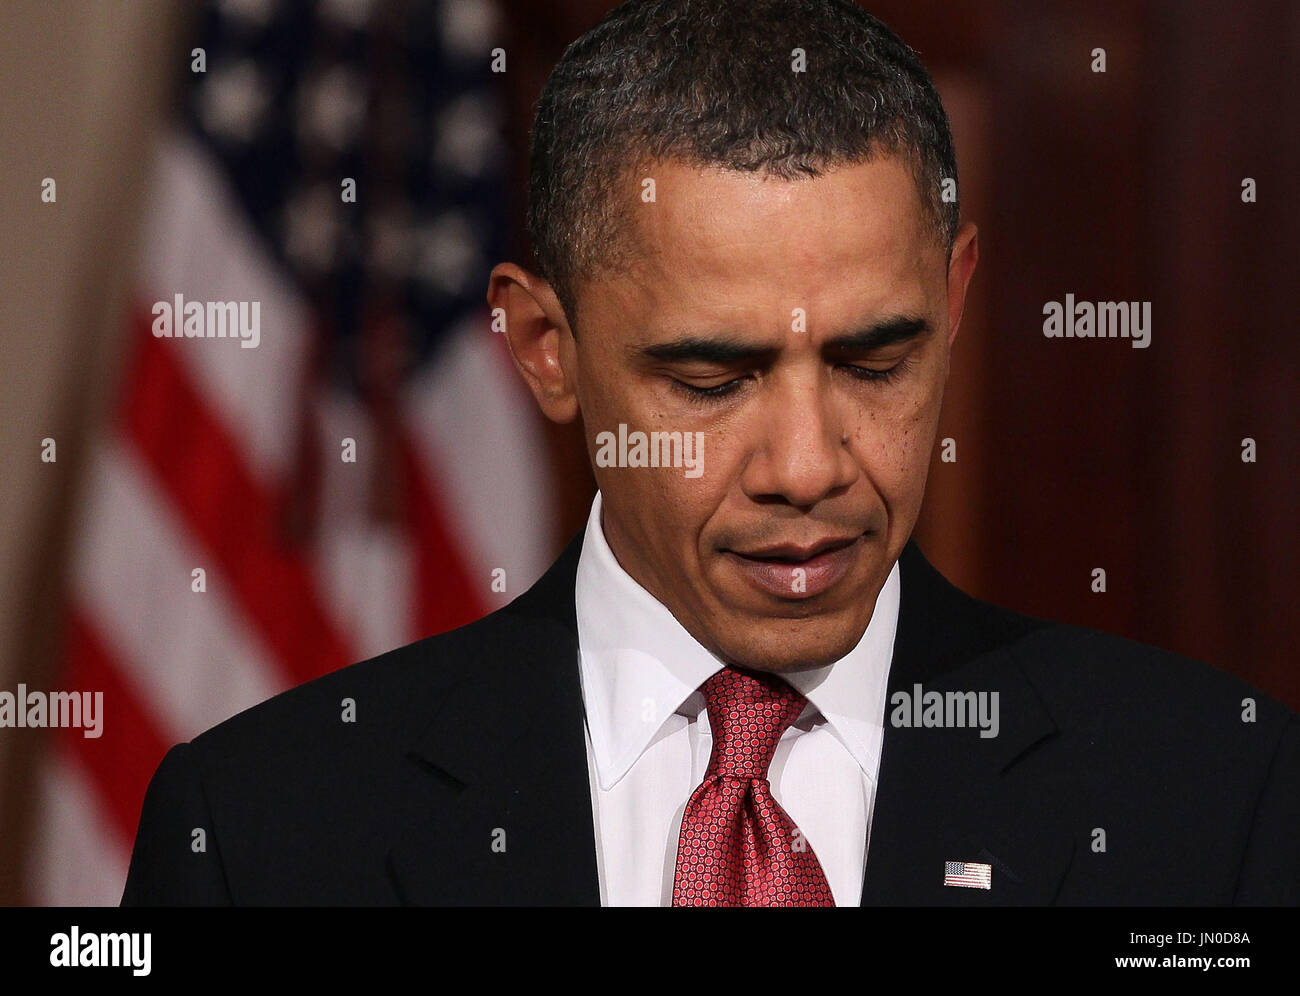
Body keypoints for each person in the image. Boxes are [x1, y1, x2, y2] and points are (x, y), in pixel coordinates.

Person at [122, 0, 1299, 906]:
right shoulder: (262, 835)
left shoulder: (1213, 804)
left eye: (875, 364)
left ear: (954, 303)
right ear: (545, 347)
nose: (805, 466)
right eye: (710, 379)